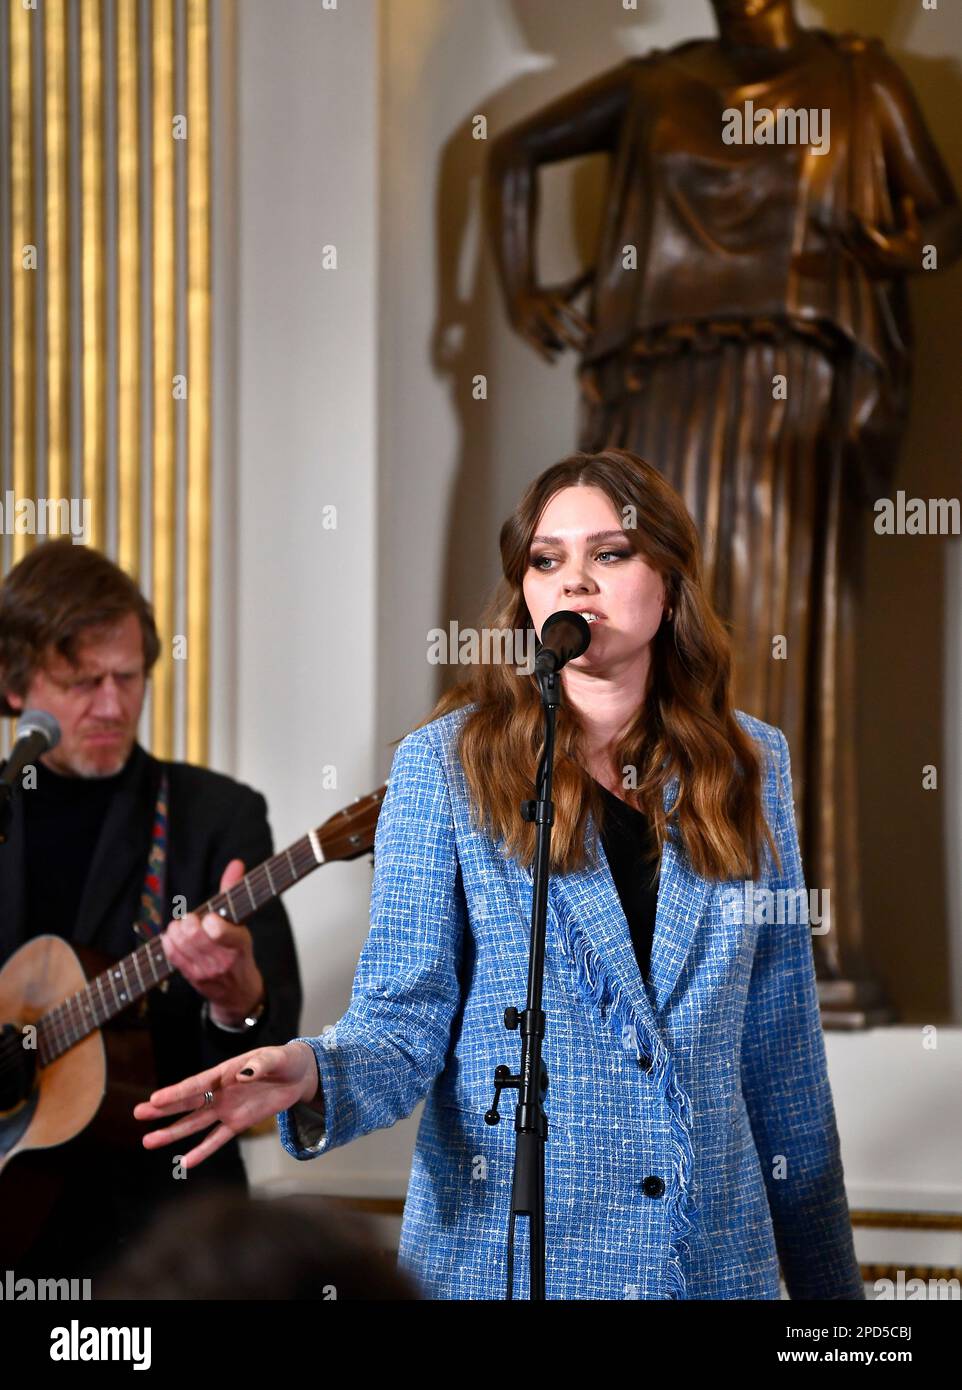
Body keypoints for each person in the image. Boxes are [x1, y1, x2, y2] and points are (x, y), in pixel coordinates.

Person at [135, 449, 864, 1300]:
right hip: (509, 1266)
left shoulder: (752, 765)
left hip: (709, 1272)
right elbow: (400, 1025)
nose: (574, 582)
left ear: (669, 580)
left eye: (610, 553)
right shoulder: (444, 766)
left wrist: (835, 1319)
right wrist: (313, 1070)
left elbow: (783, 1068)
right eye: (547, 561)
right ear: (524, 593)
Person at [486, 0, 962, 1012]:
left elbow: (942, 214)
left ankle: (786, 943)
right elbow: (511, 153)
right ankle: (638, 927)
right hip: (658, 381)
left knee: (768, 638)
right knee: (625, 655)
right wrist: (516, 290)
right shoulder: (660, 82)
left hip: (790, 378)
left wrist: (886, 242)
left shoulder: (856, 78)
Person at [0, 540, 301, 1280]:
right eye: (81, 682)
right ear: (16, 687)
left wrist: (238, 1003)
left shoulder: (214, 816)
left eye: (127, 678)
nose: (112, 705)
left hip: (162, 1232)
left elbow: (277, 1030)